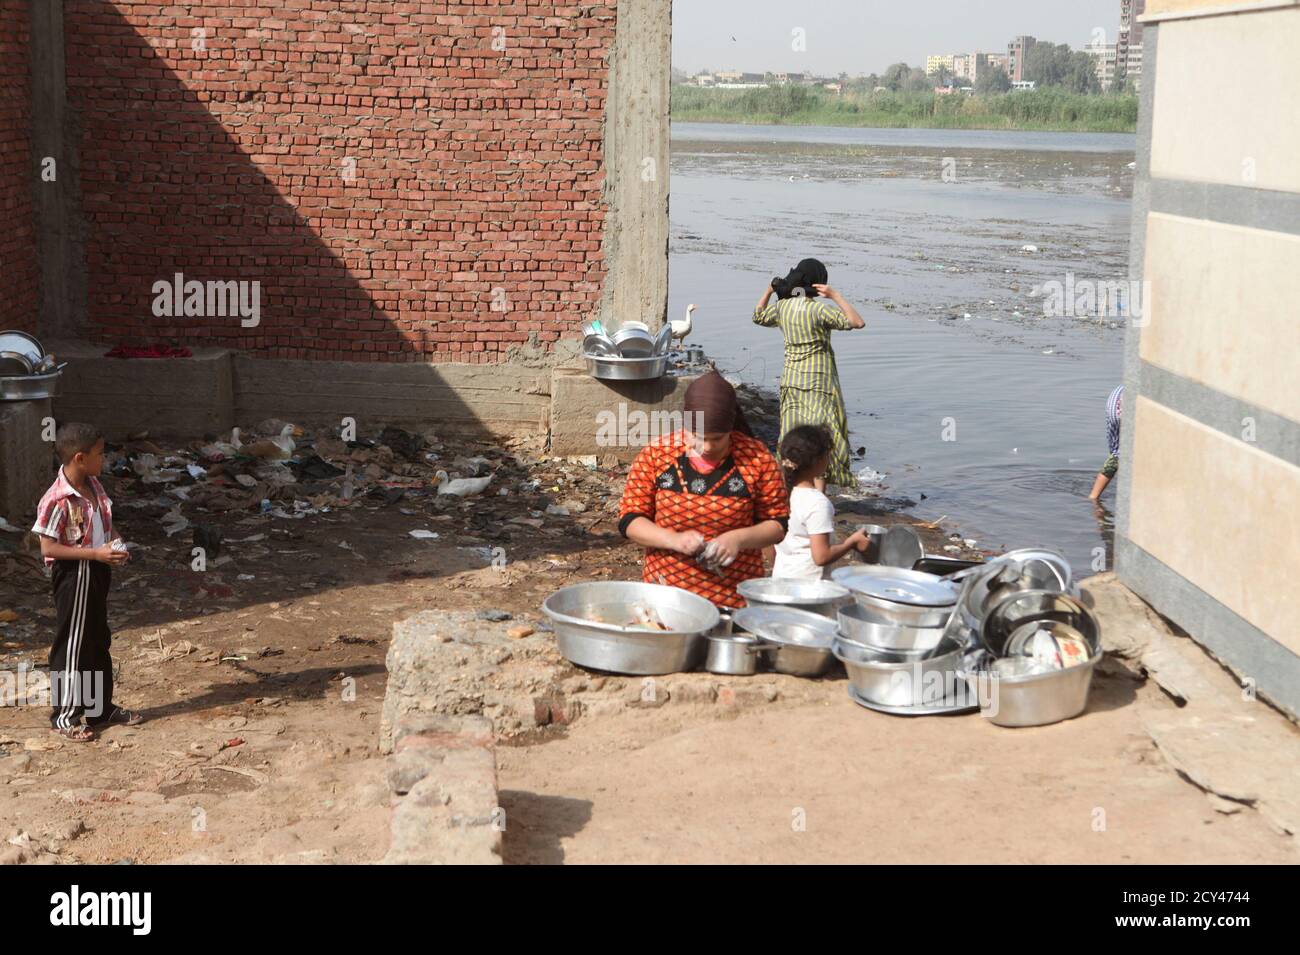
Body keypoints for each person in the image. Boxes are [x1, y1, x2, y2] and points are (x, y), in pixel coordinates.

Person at [619, 371, 790, 608]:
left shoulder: (757, 458)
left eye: (717, 439)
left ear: (731, 429)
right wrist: (673, 540)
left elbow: (778, 524)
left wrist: (738, 539)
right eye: (697, 437)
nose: (707, 447)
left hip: (734, 598)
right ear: (685, 426)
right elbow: (630, 519)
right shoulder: (657, 454)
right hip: (667, 594)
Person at [32, 423, 142, 742]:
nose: (103, 459)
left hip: (97, 571)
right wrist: (94, 554)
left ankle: (99, 708)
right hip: (75, 575)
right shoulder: (56, 499)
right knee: (73, 643)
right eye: (100, 453)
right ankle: (65, 715)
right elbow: (47, 547)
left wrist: (117, 545)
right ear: (80, 457)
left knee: (96, 640)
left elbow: (106, 525)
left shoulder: (94, 485)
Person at [753, 257, 864, 491]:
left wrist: (770, 289)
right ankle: (818, 497)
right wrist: (836, 296)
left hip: (791, 381)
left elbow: (758, 316)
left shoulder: (783, 307)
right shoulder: (819, 310)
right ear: (817, 283)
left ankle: (788, 495)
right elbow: (857, 322)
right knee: (819, 440)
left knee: (791, 437)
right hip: (818, 383)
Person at [772, 425, 871, 580]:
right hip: (807, 589)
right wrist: (851, 542)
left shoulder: (780, 493)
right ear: (819, 460)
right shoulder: (817, 503)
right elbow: (821, 557)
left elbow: (768, 546)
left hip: (781, 580)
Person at [1088, 385, 1124, 502]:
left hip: (1116, 398)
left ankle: (1094, 497)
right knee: (1119, 454)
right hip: (1123, 404)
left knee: (1117, 453)